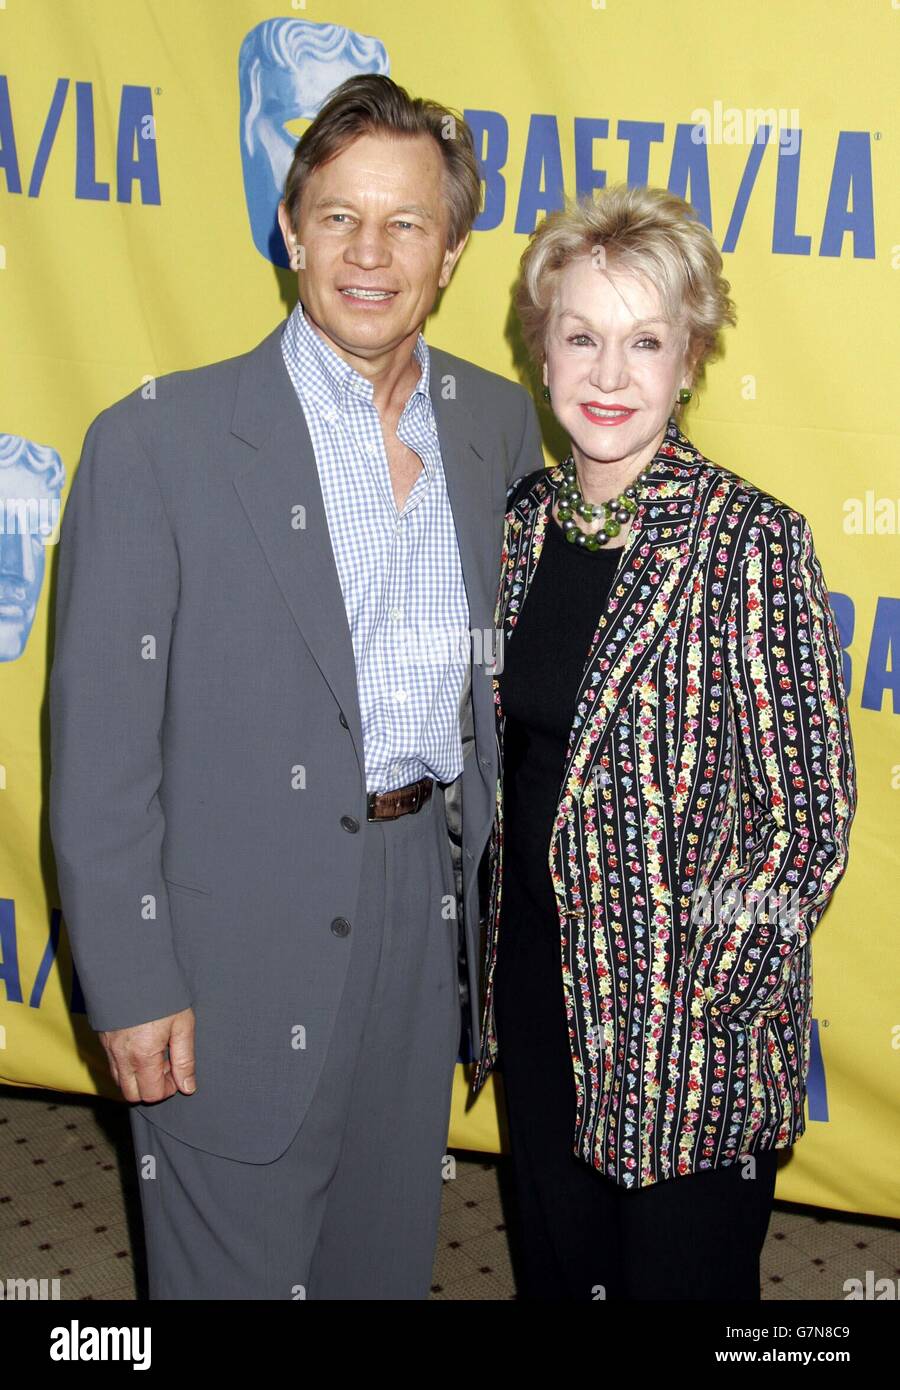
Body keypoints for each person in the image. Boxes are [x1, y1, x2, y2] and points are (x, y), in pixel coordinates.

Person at [48, 74, 543, 1300]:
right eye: (339, 218)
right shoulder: (155, 440)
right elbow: (101, 749)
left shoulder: (497, 425)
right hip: (227, 941)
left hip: (423, 913)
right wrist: (135, 978)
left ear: (454, 251)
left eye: (406, 223)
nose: (369, 255)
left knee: (379, 1265)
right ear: (288, 229)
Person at [471, 184, 857, 1301]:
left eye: (645, 342)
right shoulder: (519, 526)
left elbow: (808, 818)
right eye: (581, 336)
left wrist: (705, 1005)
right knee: (558, 1275)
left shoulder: (751, 541)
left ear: (689, 362)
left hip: (692, 1028)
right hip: (541, 994)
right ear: (542, 353)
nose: (608, 374)